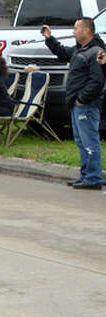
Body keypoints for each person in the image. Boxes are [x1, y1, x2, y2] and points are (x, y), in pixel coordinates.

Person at [43, 18, 105, 189]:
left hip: (87, 105)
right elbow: (63, 54)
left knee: (90, 141)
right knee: (81, 141)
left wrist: (82, 99)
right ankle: (86, 175)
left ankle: (93, 178)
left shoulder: (96, 52)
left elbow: (97, 81)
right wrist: (50, 39)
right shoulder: (80, 50)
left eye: (76, 28)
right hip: (76, 105)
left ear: (87, 30)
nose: (73, 31)